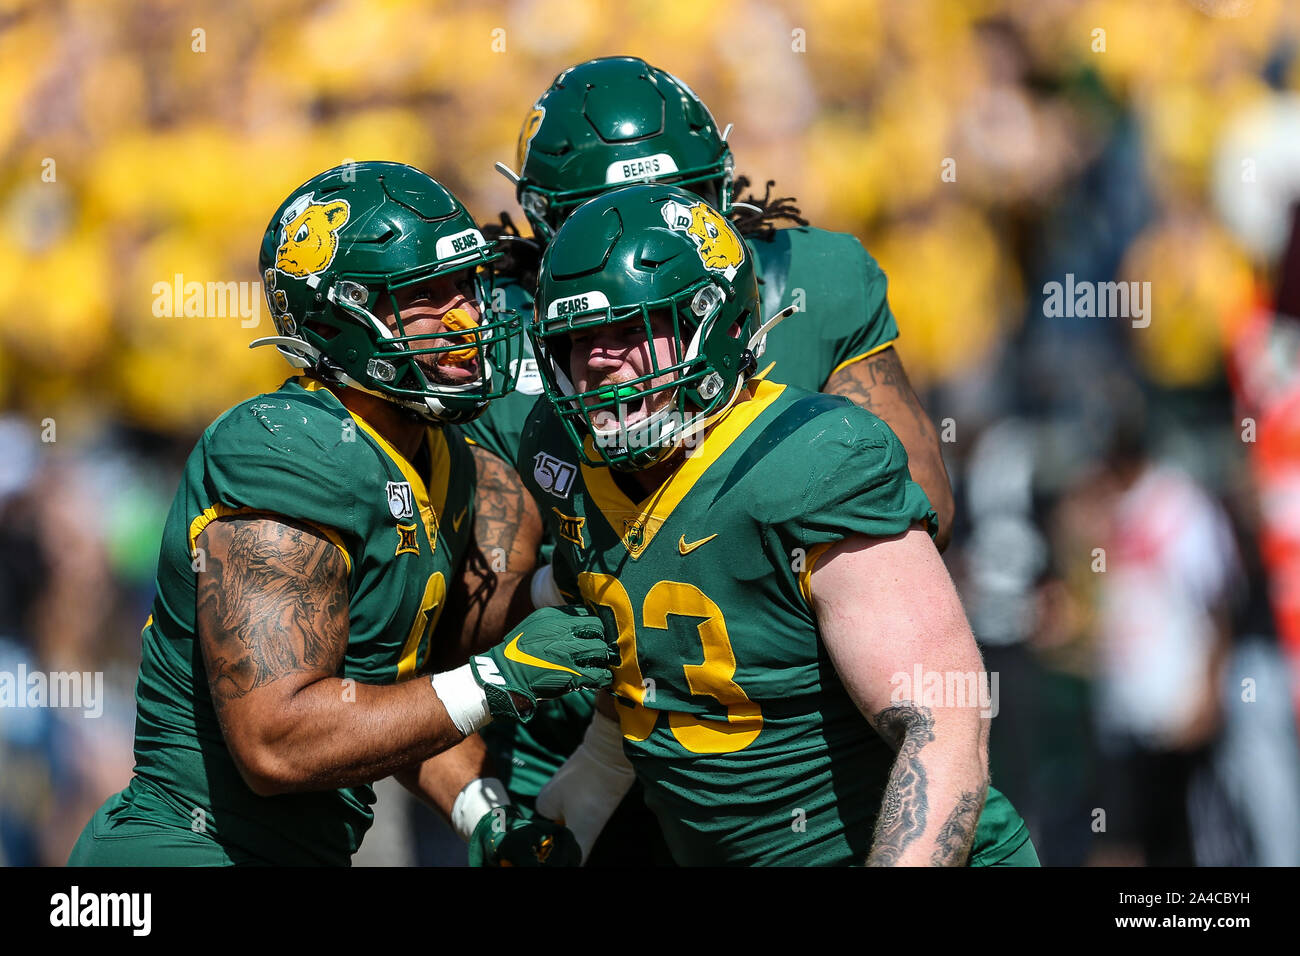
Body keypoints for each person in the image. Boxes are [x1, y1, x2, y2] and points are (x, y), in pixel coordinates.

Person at [456, 57, 954, 859]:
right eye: (604, 215)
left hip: (787, 738)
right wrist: (577, 585)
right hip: (587, 733)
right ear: (548, 230)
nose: (642, 238)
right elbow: (473, 611)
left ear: (722, 193)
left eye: (675, 202)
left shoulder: (808, 280)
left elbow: (919, 507)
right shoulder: (506, 343)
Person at [68, 162, 615, 867]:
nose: (465, 317)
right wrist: (498, 680)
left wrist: (482, 812)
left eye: (466, 286)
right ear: (338, 316)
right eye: (424, 295)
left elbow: (392, 701)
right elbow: (279, 740)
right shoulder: (288, 448)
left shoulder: (456, 463)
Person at [521, 183, 1036, 865]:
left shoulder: (807, 461)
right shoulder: (563, 454)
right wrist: (596, 772)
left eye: (632, 331)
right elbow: (656, 644)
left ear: (716, 324)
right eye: (580, 339)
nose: (602, 361)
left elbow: (944, 721)